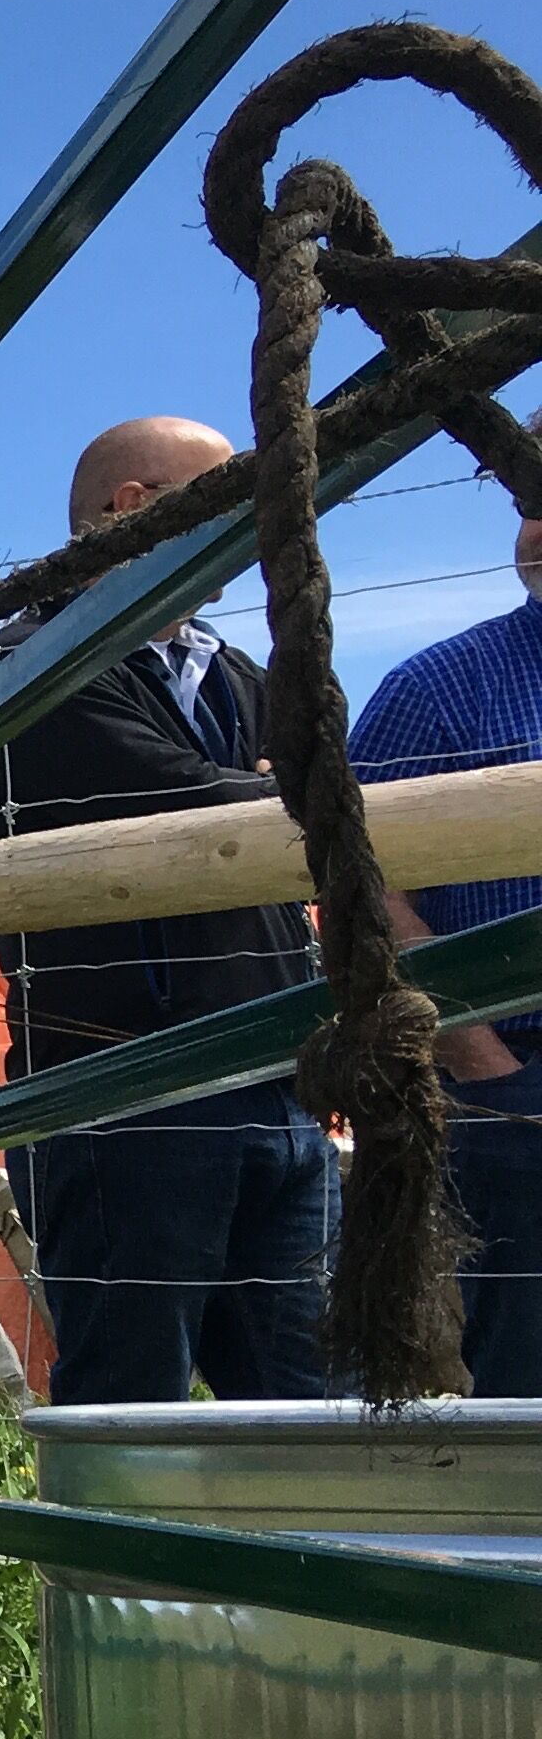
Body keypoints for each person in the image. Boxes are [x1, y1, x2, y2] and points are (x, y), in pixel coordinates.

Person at [0, 416, 333, 1404]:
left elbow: (306, 785)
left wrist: (244, 790)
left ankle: (290, 1559)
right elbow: (200, 808)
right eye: (232, 499)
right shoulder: (26, 667)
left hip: (275, 1081)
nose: (256, 529)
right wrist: (252, 788)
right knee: (133, 1400)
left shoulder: (240, 672)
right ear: (136, 509)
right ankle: (115, 1568)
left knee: (316, 1403)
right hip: (124, 1087)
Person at [348, 455, 542, 1395]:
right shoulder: (438, 690)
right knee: (526, 1375)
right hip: (519, 1084)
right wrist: (479, 1057)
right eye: (528, 504)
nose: (535, 530)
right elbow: (351, 876)